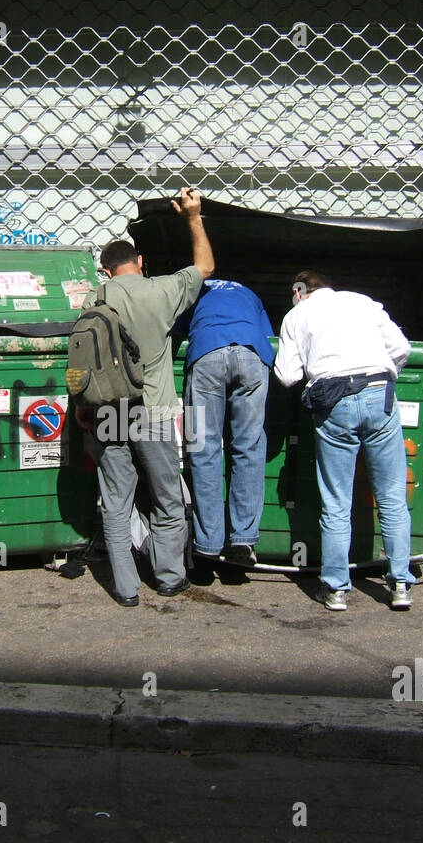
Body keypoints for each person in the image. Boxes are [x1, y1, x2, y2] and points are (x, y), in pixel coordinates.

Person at [83, 187, 214, 606]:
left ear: (105, 271)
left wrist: (83, 412)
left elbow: (82, 362)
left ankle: (125, 588)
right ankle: (169, 576)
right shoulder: (162, 290)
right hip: (152, 414)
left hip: (107, 413)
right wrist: (193, 217)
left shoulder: (93, 298)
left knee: (116, 503)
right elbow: (205, 266)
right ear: (140, 262)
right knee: (166, 496)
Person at [273, 270, 414, 611]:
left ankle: (335, 589)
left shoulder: (297, 315)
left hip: (333, 401)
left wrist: (313, 363)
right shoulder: (362, 302)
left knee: (336, 501)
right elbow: (401, 348)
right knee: (392, 496)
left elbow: (287, 375)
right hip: (379, 392)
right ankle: (399, 586)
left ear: (299, 291)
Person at [175, 279, 274, 567]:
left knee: (203, 448)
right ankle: (243, 538)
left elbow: (176, 332)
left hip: (207, 354)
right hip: (251, 354)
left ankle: (207, 542)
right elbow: (268, 336)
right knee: (248, 447)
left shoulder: (194, 290)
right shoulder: (250, 293)